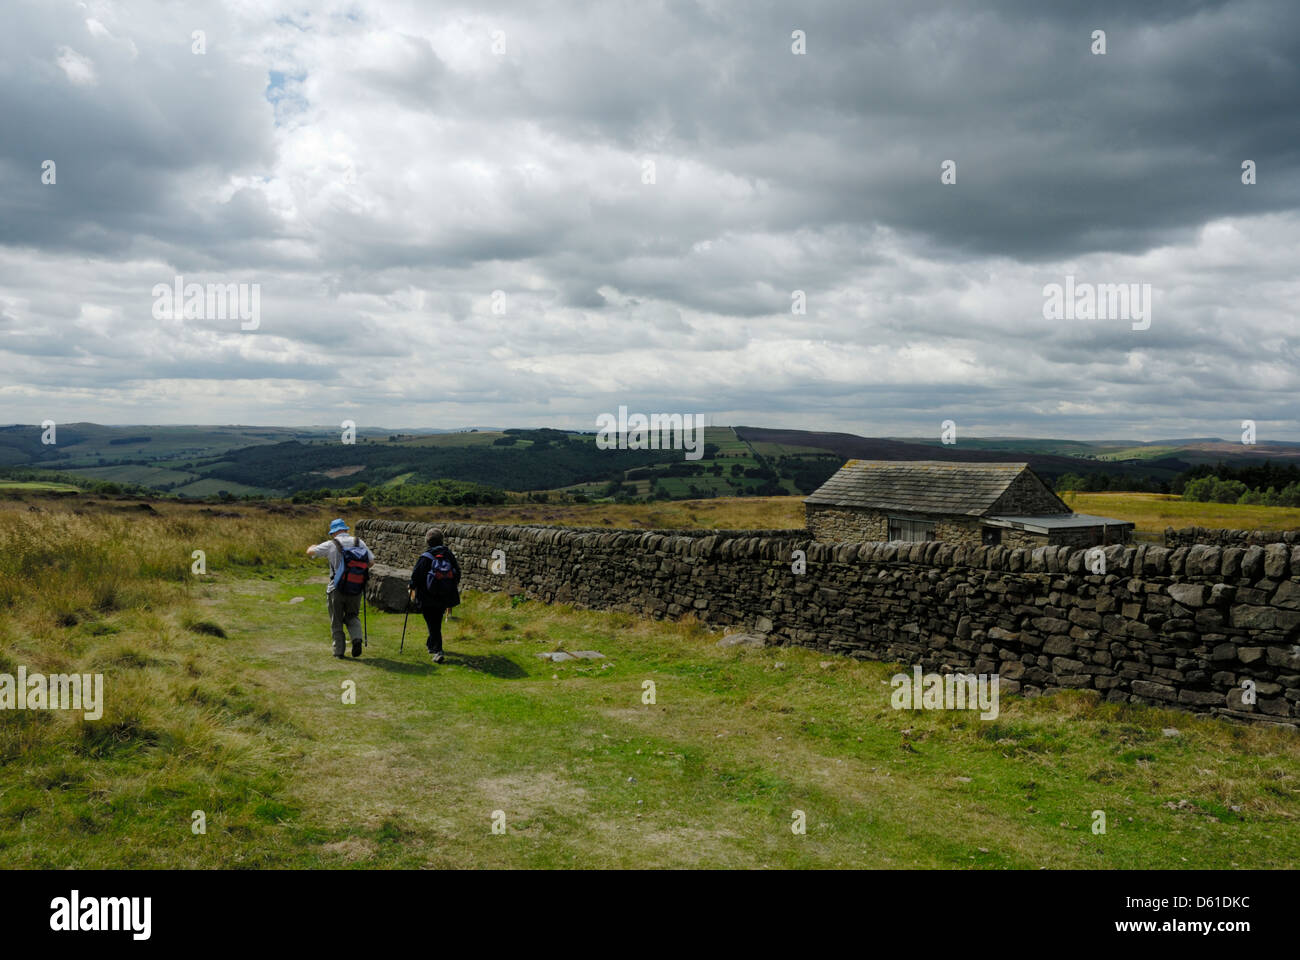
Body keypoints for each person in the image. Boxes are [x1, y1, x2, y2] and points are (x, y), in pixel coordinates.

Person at [306, 518, 374, 659]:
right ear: (346, 530)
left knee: (336, 620)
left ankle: (339, 652)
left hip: (335, 588)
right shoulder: (359, 542)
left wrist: (312, 546)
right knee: (352, 616)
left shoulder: (331, 544)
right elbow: (371, 562)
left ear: (333, 532)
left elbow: (310, 552)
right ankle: (356, 639)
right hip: (356, 587)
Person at [409, 528, 461, 663]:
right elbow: (457, 573)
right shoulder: (449, 555)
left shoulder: (425, 557)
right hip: (444, 595)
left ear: (428, 541)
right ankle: (431, 644)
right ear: (441, 540)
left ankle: (438, 650)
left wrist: (412, 586)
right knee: (435, 622)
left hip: (427, 596)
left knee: (432, 623)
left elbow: (415, 576)